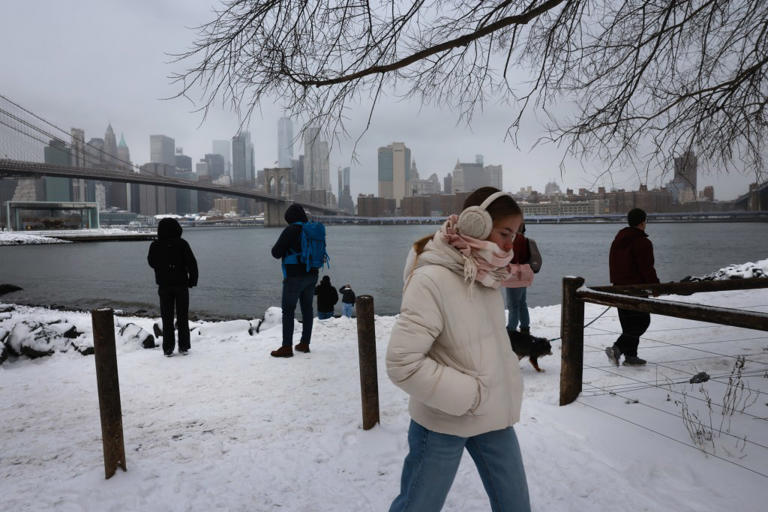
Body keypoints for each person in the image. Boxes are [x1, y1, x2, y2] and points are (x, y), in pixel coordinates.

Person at [386, 187, 533, 512]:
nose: (511, 244)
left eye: (516, 234)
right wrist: (469, 396)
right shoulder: (431, 279)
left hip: (493, 416)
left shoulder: (487, 275)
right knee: (418, 506)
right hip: (443, 423)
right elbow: (402, 363)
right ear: (476, 225)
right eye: (505, 233)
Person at [606, 208, 660, 367]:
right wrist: (655, 287)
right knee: (642, 322)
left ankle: (631, 356)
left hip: (618, 287)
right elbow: (647, 268)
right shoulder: (642, 242)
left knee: (629, 325)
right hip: (636, 289)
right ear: (643, 222)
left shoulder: (618, 240)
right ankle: (617, 349)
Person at [270, 203, 319, 357]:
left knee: (288, 311)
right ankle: (304, 343)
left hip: (294, 277)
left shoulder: (291, 230)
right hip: (312, 275)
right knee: (307, 309)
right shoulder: (311, 229)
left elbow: (276, 252)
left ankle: (286, 347)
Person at [147, 217, 198, 357]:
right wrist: (192, 281)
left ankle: (168, 348)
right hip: (181, 285)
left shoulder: (155, 245)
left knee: (166, 317)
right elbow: (192, 263)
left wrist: (162, 268)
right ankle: (184, 346)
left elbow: (151, 262)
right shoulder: (182, 244)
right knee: (182, 316)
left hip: (164, 285)